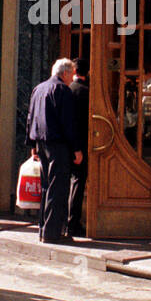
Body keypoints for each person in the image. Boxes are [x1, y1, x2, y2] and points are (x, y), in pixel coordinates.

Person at [27, 58, 82, 243]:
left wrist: (32, 145)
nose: (72, 78)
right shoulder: (62, 90)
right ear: (65, 73)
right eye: (71, 73)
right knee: (57, 188)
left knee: (46, 186)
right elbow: (69, 123)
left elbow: (30, 117)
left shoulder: (39, 88)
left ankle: (43, 229)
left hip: (41, 144)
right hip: (57, 145)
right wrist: (76, 148)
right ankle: (53, 233)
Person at [67, 56, 89, 239]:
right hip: (80, 146)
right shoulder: (87, 92)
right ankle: (73, 223)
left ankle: (63, 222)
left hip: (63, 145)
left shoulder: (66, 90)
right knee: (77, 183)